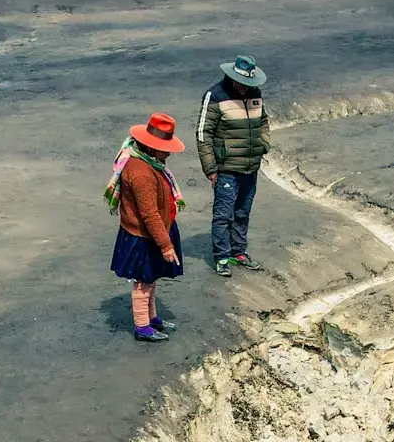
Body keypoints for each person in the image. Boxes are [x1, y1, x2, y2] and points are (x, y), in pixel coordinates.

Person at [106, 111, 186, 343]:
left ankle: (152, 319)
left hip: (151, 232)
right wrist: (166, 245)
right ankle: (143, 327)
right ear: (152, 147)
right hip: (145, 236)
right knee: (143, 282)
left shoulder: (147, 161)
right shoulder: (141, 173)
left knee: (151, 279)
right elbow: (149, 214)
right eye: (165, 147)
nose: (169, 153)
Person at [195, 55, 271, 278]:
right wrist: (210, 168)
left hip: (250, 166)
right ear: (232, 77)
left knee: (243, 212)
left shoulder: (255, 93)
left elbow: (264, 121)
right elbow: (203, 133)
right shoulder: (215, 96)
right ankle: (221, 256)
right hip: (226, 169)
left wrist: (264, 143)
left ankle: (238, 252)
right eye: (242, 83)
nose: (245, 88)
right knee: (223, 214)